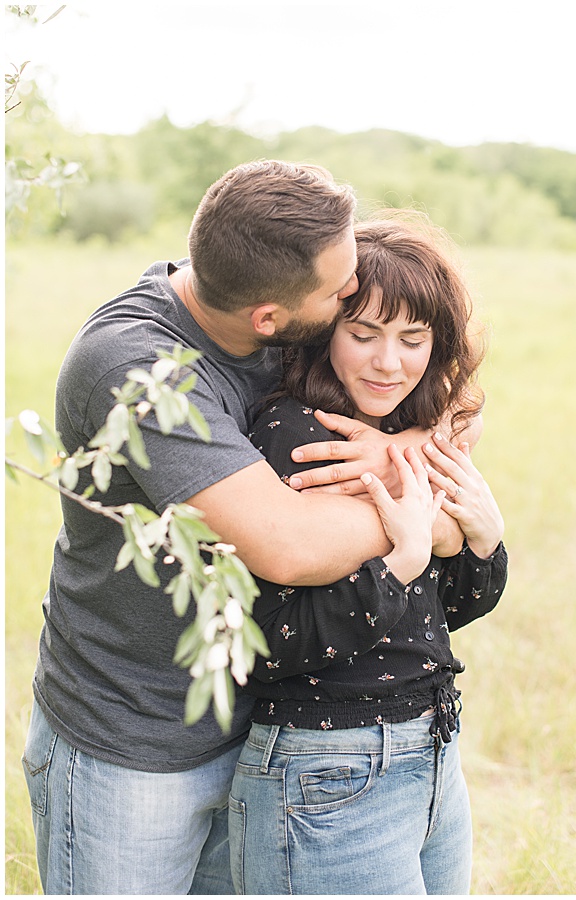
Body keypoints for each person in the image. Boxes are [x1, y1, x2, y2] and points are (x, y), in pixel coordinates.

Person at [22, 161, 464, 894]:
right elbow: (288, 545)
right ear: (271, 320)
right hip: (132, 743)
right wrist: (424, 517)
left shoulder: (275, 307)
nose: (352, 292)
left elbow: (436, 377)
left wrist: (404, 448)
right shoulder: (137, 370)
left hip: (262, 728)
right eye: (339, 292)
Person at [228, 217, 507, 894]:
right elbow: (266, 644)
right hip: (326, 769)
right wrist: (402, 560)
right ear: (326, 334)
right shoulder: (300, 440)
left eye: (414, 340)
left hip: (432, 750)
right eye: (364, 334)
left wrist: (484, 537)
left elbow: (456, 608)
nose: (390, 363)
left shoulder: (411, 435)